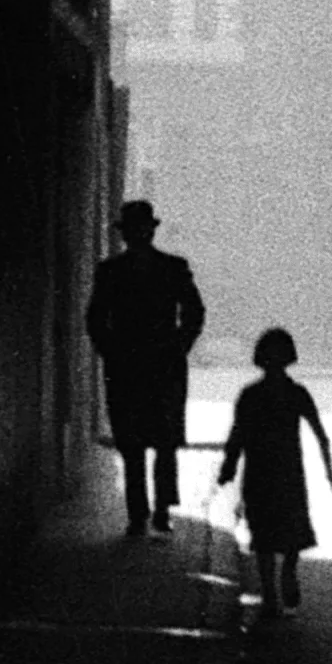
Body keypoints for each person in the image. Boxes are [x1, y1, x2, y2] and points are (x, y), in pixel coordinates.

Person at [85, 199, 206, 538]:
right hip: (131, 366)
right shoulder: (111, 272)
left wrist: (179, 346)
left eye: (142, 229)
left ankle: (162, 510)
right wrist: (110, 351)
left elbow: (194, 311)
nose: (138, 235)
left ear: (151, 231)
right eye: (132, 230)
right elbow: (96, 317)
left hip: (160, 365)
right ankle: (140, 513)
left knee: (163, 443)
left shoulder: (172, 268)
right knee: (133, 443)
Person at [217, 327, 332, 620]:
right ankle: (290, 572)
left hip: (259, 472)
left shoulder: (250, 395)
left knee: (264, 533)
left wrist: (228, 468)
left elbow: (238, 435)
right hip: (288, 472)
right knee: (293, 527)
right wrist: (330, 472)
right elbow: (321, 434)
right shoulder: (297, 393)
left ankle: (270, 594)